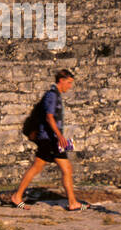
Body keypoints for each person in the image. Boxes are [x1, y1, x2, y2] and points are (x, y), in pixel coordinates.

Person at [7, 70, 86, 211]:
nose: (70, 86)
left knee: (38, 167)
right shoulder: (52, 95)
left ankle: (17, 196)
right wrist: (60, 136)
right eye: (69, 83)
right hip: (50, 139)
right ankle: (72, 202)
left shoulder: (55, 95)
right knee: (66, 169)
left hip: (48, 138)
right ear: (61, 80)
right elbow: (49, 117)